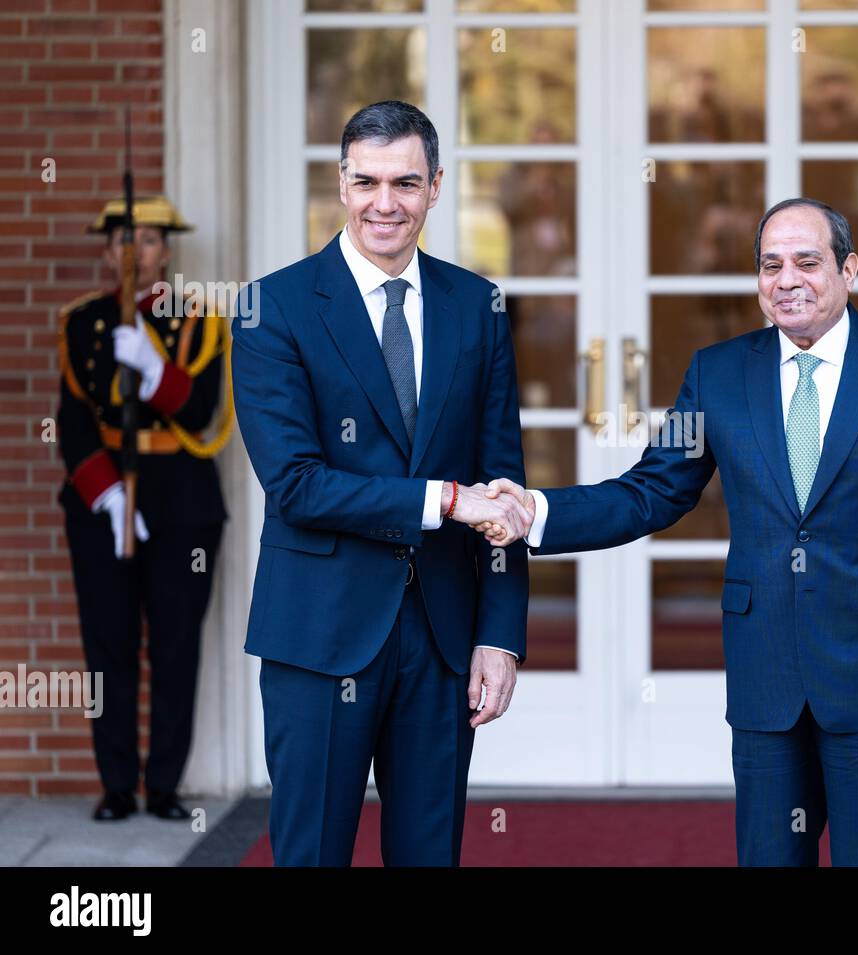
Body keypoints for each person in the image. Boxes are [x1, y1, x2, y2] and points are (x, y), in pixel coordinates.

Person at [483, 199, 858, 866]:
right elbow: (652, 492)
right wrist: (535, 513)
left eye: (807, 263)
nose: (787, 280)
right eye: (770, 265)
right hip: (767, 677)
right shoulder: (720, 374)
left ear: (848, 270)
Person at [230, 100, 534, 866]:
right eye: (366, 181)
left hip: (441, 635)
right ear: (341, 183)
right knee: (313, 854)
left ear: (436, 186)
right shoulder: (275, 308)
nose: (384, 203)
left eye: (405, 182)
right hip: (319, 631)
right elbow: (297, 484)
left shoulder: (479, 306)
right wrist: (446, 500)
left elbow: (506, 483)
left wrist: (500, 634)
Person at [57, 195, 231, 821]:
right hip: (104, 501)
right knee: (108, 645)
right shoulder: (81, 322)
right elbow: (72, 425)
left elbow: (201, 410)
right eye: (124, 240)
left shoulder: (199, 320)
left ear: (166, 252)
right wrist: (107, 498)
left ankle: (164, 786)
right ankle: (116, 784)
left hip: (182, 500)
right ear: (108, 252)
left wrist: (155, 368)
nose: (136, 251)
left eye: (149, 240)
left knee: (176, 644)